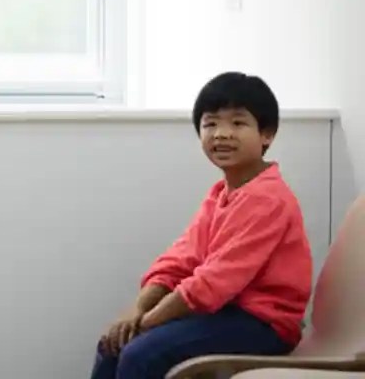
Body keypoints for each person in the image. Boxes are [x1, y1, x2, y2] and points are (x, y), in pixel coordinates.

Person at [90, 71, 312, 379]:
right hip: (225, 312)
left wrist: (149, 320)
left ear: (267, 134)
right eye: (210, 124)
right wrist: (137, 309)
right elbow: (181, 258)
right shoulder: (221, 193)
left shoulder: (269, 198)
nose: (221, 133)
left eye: (237, 123)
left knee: (140, 354)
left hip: (264, 323)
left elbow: (215, 280)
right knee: (112, 345)